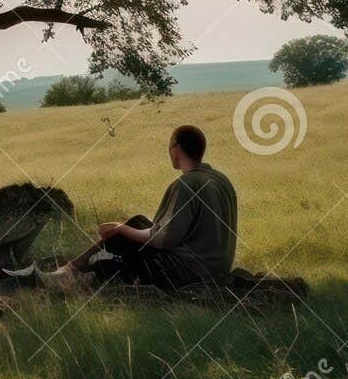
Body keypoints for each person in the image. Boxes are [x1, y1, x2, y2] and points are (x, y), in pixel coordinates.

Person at [39, 124, 237, 290]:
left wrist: (120, 229)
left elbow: (164, 239)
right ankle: (77, 268)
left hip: (189, 271)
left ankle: (72, 271)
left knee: (124, 234)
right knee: (138, 223)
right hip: (217, 269)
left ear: (175, 148)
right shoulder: (221, 180)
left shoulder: (186, 184)